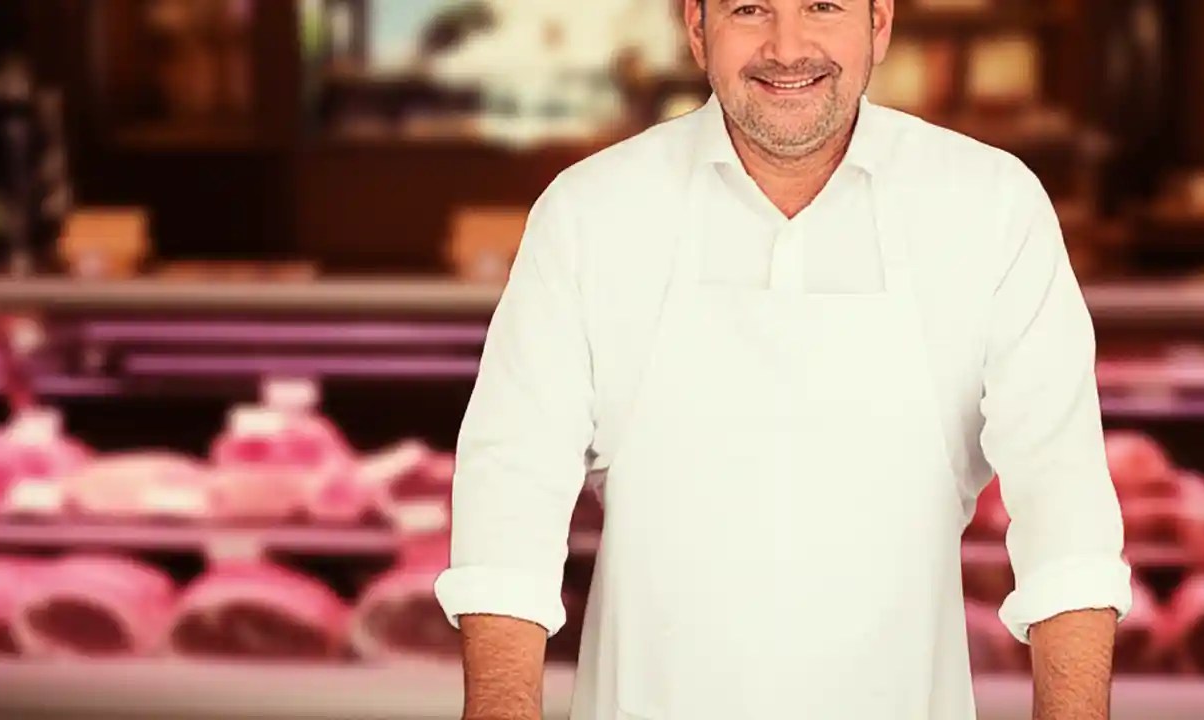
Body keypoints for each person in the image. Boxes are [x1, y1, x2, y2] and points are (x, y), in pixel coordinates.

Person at [434, 1, 1133, 718]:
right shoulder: (589, 215)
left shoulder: (991, 208)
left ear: (879, 23)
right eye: (750, 9)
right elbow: (509, 504)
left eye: (823, 6)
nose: (787, 46)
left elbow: (1065, 511)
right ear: (698, 28)